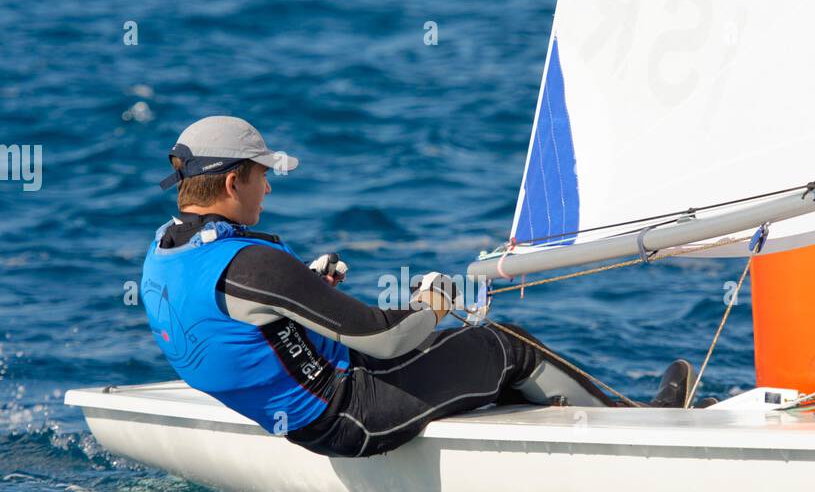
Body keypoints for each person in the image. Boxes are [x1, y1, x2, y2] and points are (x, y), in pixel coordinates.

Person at [141, 116, 695, 459]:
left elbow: (233, 322)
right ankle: (649, 427)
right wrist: (430, 303)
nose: (267, 188)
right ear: (234, 180)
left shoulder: (165, 250)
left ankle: (560, 425)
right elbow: (385, 340)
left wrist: (306, 287)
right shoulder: (253, 265)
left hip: (308, 405)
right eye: (262, 176)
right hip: (352, 417)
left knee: (465, 358)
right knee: (505, 346)